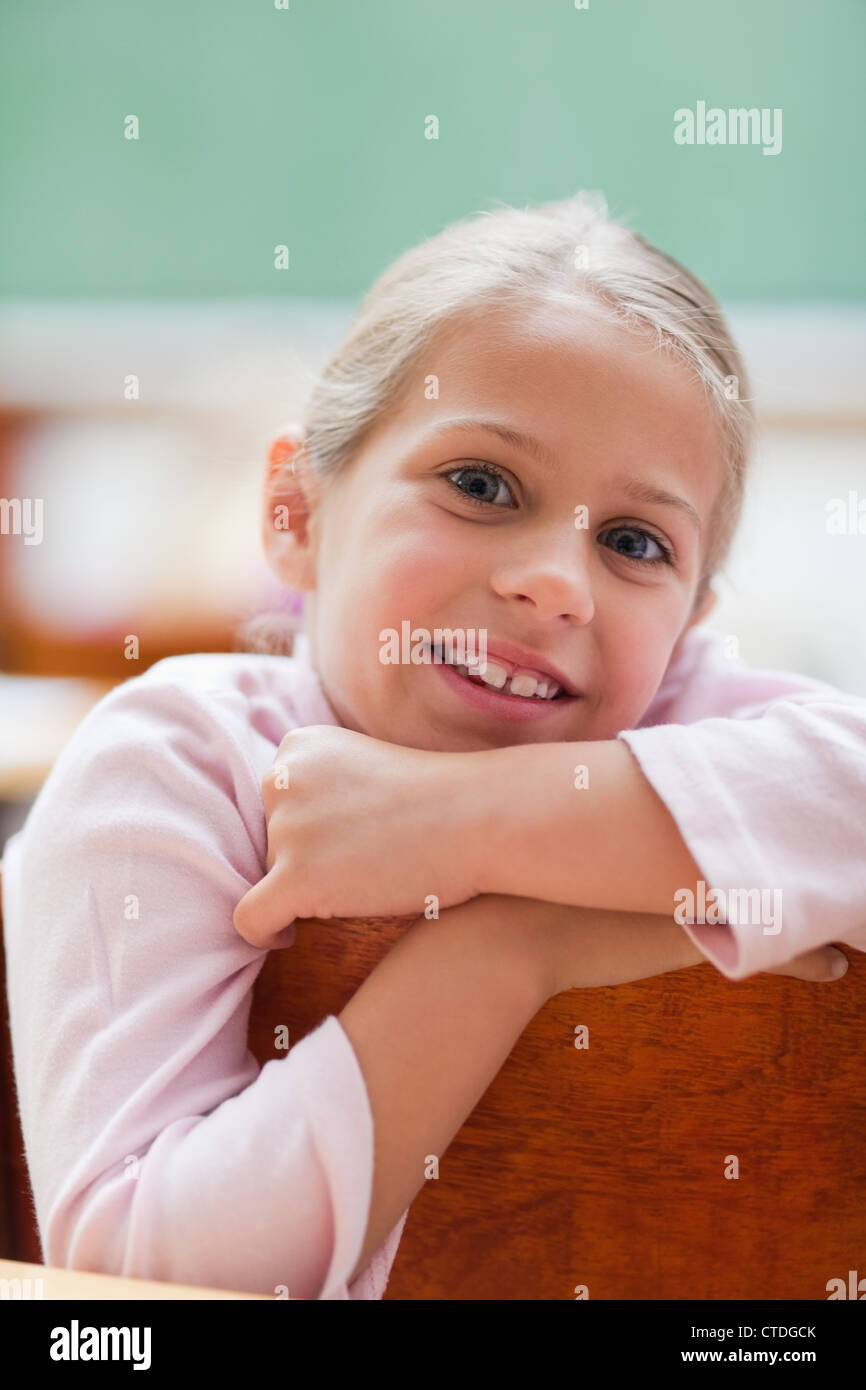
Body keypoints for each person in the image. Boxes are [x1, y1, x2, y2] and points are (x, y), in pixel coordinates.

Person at [3, 191, 863, 1301]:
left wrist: (451, 824)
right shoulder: (176, 763)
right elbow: (140, 1283)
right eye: (480, 484)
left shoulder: (677, 715)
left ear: (689, 623)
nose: (554, 580)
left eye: (633, 542)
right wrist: (513, 949)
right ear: (296, 511)